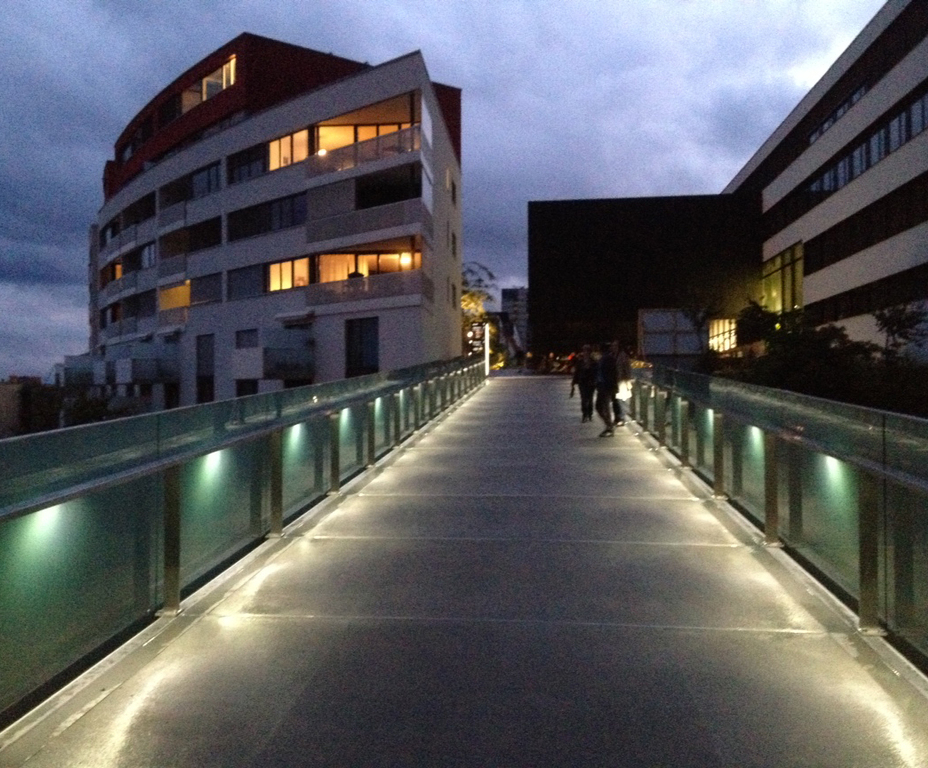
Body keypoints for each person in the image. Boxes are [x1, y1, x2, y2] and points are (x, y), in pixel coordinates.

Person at [595, 342, 618, 436]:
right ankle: (609, 425)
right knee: (602, 406)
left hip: (606, 386)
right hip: (603, 385)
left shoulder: (607, 359)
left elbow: (612, 374)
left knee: (603, 406)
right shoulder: (605, 359)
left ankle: (609, 426)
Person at [570, 344, 597, 422]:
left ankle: (590, 413)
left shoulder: (593, 362)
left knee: (590, 399)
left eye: (587, 351)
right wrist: (573, 382)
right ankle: (585, 414)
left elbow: (596, 372)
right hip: (582, 382)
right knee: (584, 399)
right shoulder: (580, 362)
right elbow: (577, 372)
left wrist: (595, 381)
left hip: (591, 383)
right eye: (584, 351)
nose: (585, 352)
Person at [613, 343, 632, 426]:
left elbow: (626, 369)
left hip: (622, 381)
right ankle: (622, 417)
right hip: (619, 380)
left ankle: (623, 417)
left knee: (622, 400)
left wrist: (628, 380)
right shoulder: (617, 356)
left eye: (614, 346)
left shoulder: (622, 356)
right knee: (620, 400)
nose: (613, 347)